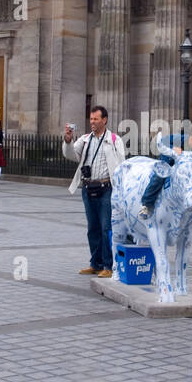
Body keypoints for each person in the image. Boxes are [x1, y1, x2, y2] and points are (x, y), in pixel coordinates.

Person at [63, 105, 125, 277]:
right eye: (91, 119)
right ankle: (95, 263)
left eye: (95, 119)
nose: (92, 122)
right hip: (88, 188)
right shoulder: (85, 139)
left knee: (106, 228)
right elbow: (71, 155)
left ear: (104, 120)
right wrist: (68, 141)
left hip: (106, 189)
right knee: (93, 228)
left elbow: (121, 165)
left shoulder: (114, 140)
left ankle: (108, 265)